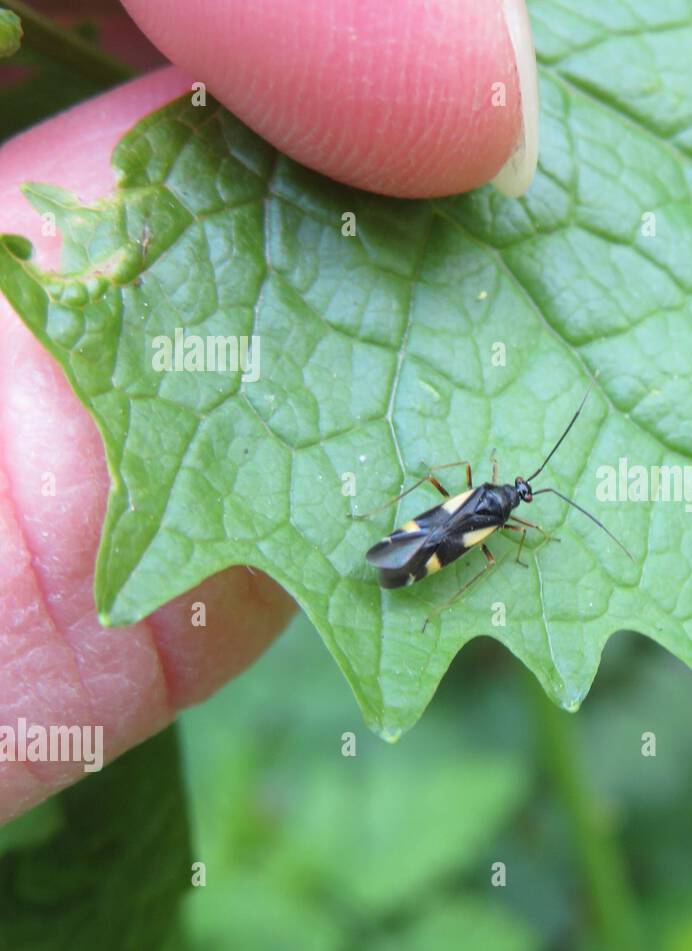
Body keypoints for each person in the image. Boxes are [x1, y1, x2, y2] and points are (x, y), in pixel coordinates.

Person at [0, 0, 538, 821]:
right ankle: (397, 550)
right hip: (441, 532)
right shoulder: (492, 517)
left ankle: (397, 549)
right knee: (446, 541)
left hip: (439, 528)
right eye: (512, 498)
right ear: (505, 499)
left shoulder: (482, 508)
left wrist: (453, 519)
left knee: (442, 535)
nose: (509, 499)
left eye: (512, 498)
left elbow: (460, 518)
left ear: (503, 498)